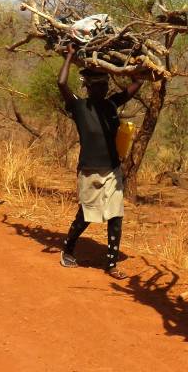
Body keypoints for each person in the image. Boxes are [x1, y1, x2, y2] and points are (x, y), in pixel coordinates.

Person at [57, 46, 144, 280]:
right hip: (89, 171)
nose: (104, 88)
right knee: (86, 214)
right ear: (88, 86)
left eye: (105, 84)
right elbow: (61, 83)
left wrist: (128, 64)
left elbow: (137, 83)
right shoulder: (79, 106)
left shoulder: (112, 104)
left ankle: (111, 264)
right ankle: (68, 249)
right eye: (99, 85)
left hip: (112, 170)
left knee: (116, 215)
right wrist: (69, 55)